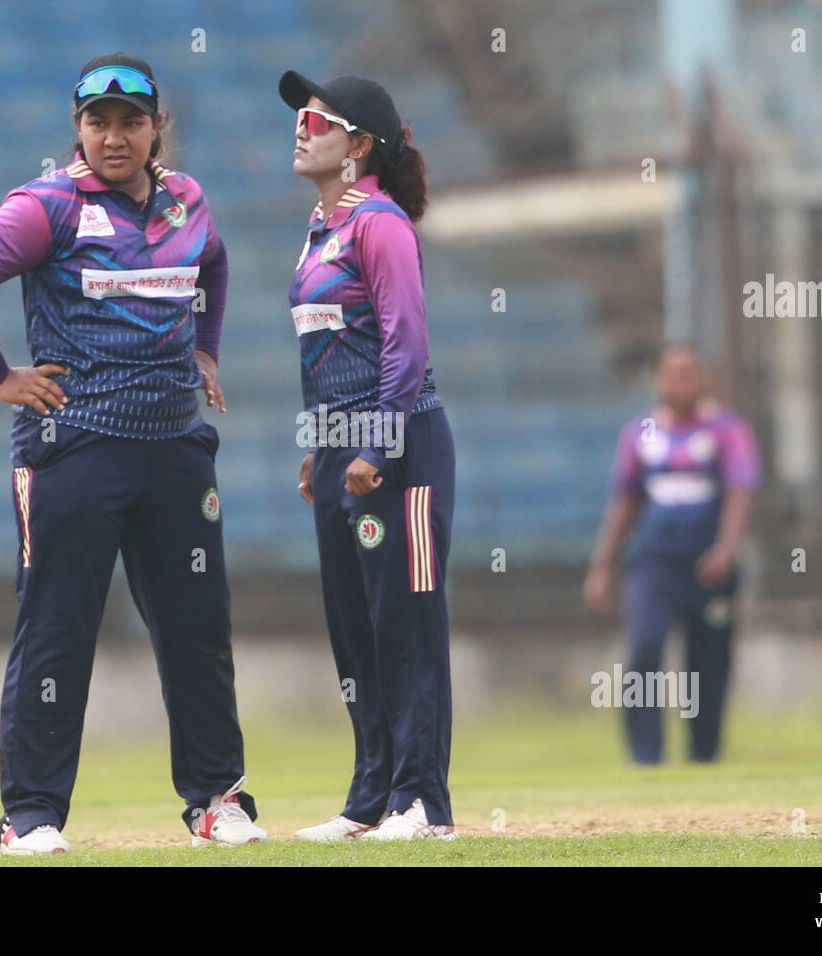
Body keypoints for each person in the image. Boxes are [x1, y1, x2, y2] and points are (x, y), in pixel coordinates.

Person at [0, 53, 264, 852]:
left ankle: (217, 802)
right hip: (74, 450)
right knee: (57, 631)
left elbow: (211, 263)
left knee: (198, 628)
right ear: (77, 129)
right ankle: (30, 818)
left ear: (157, 129)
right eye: (98, 121)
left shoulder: (186, 201)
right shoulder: (50, 207)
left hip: (177, 448)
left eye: (131, 121)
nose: (115, 136)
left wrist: (206, 350)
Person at [279, 71, 458, 841]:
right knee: (354, 629)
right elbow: (322, 353)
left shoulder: (379, 222)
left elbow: (405, 340)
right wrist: (320, 446)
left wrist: (378, 443)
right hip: (339, 453)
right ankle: (372, 797)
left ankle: (424, 804)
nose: (301, 126)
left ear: (357, 146)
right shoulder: (322, 230)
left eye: (316, 118)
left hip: (399, 448)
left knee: (404, 625)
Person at [583, 343, 761, 764]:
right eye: (675, 372)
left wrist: (726, 548)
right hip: (654, 563)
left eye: (692, 372)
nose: (684, 380)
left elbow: (739, 493)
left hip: (709, 566)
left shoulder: (726, 430)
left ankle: (704, 755)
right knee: (644, 648)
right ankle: (645, 755)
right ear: (659, 379)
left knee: (708, 663)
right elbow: (626, 503)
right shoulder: (641, 433)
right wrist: (603, 565)